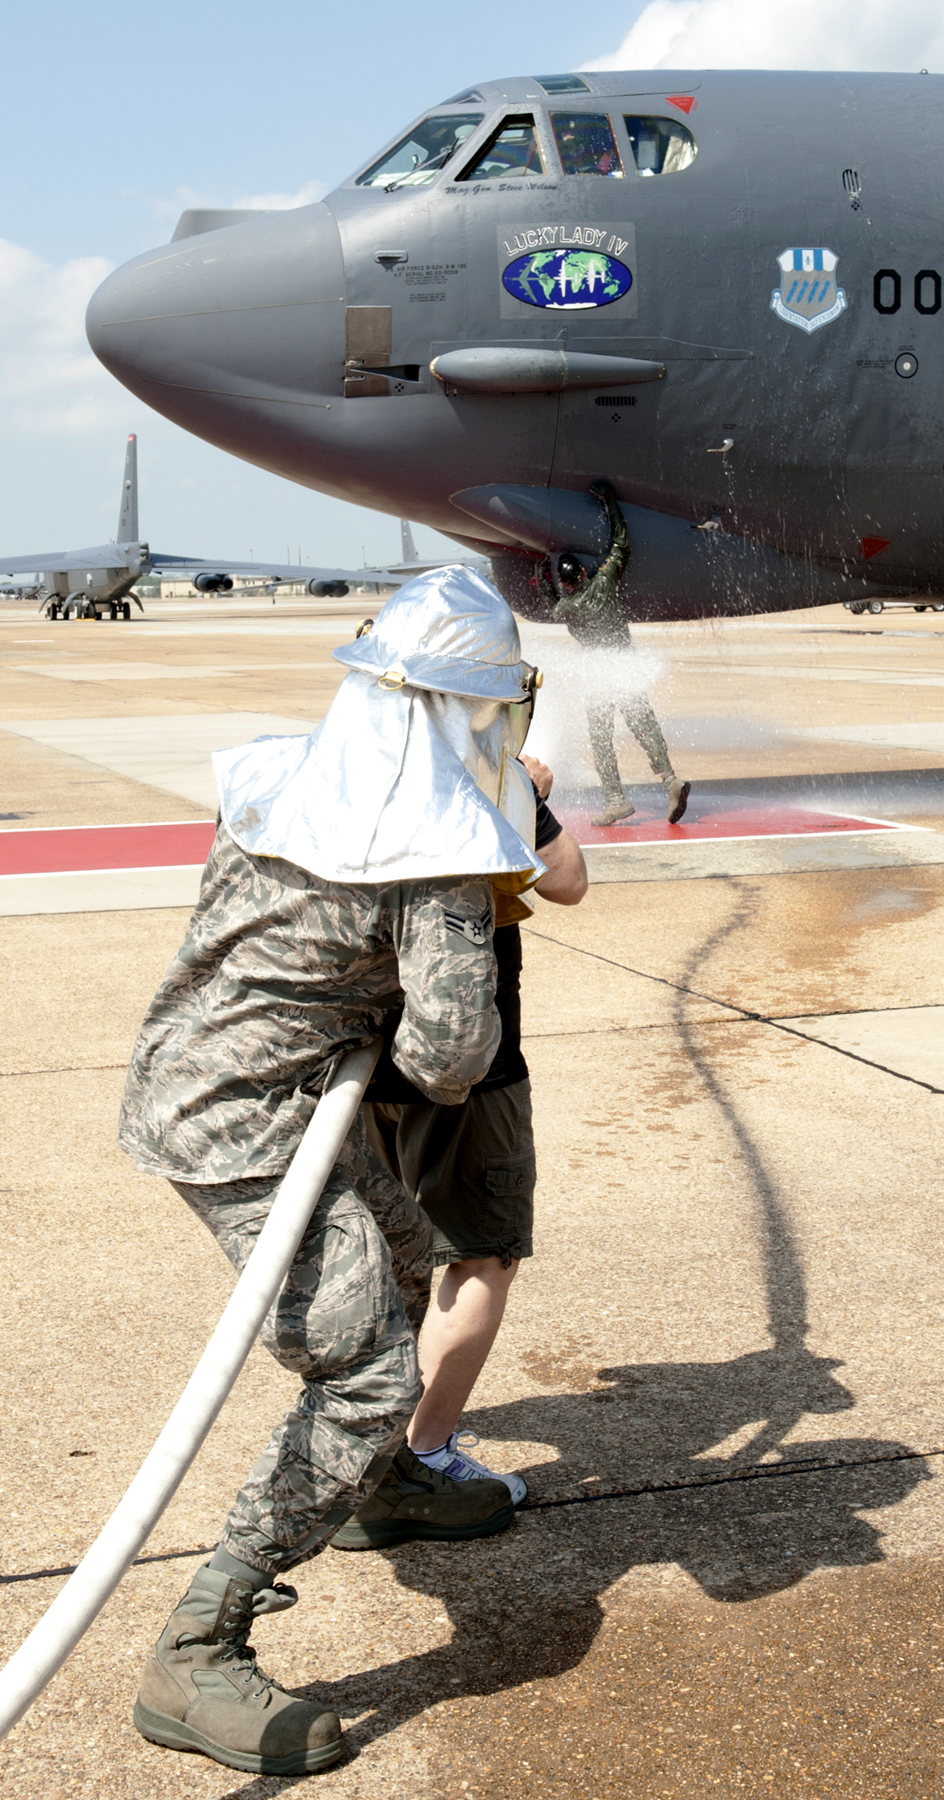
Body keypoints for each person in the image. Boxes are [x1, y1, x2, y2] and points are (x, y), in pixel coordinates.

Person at [118, 568, 549, 1778]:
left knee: (406, 1254)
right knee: (365, 1375)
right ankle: (199, 1646)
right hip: (253, 1129)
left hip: (200, 1076)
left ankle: (386, 1483)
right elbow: (451, 1057)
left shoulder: (281, 778)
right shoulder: (438, 850)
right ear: (477, 709)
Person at [343, 751, 586, 1537]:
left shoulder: (344, 767)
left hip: (350, 1055)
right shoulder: (482, 780)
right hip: (468, 1063)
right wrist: (527, 801)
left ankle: (355, 1452)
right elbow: (568, 881)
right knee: (482, 1255)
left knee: (377, 1262)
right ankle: (416, 1461)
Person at [550, 480, 690, 828]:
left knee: (601, 739)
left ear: (566, 584)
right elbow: (621, 545)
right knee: (644, 725)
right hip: (624, 668)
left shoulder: (567, 608)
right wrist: (610, 502)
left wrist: (541, 572)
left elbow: (551, 605)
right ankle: (670, 780)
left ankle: (616, 799)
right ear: (584, 572)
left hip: (599, 676)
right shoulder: (606, 581)